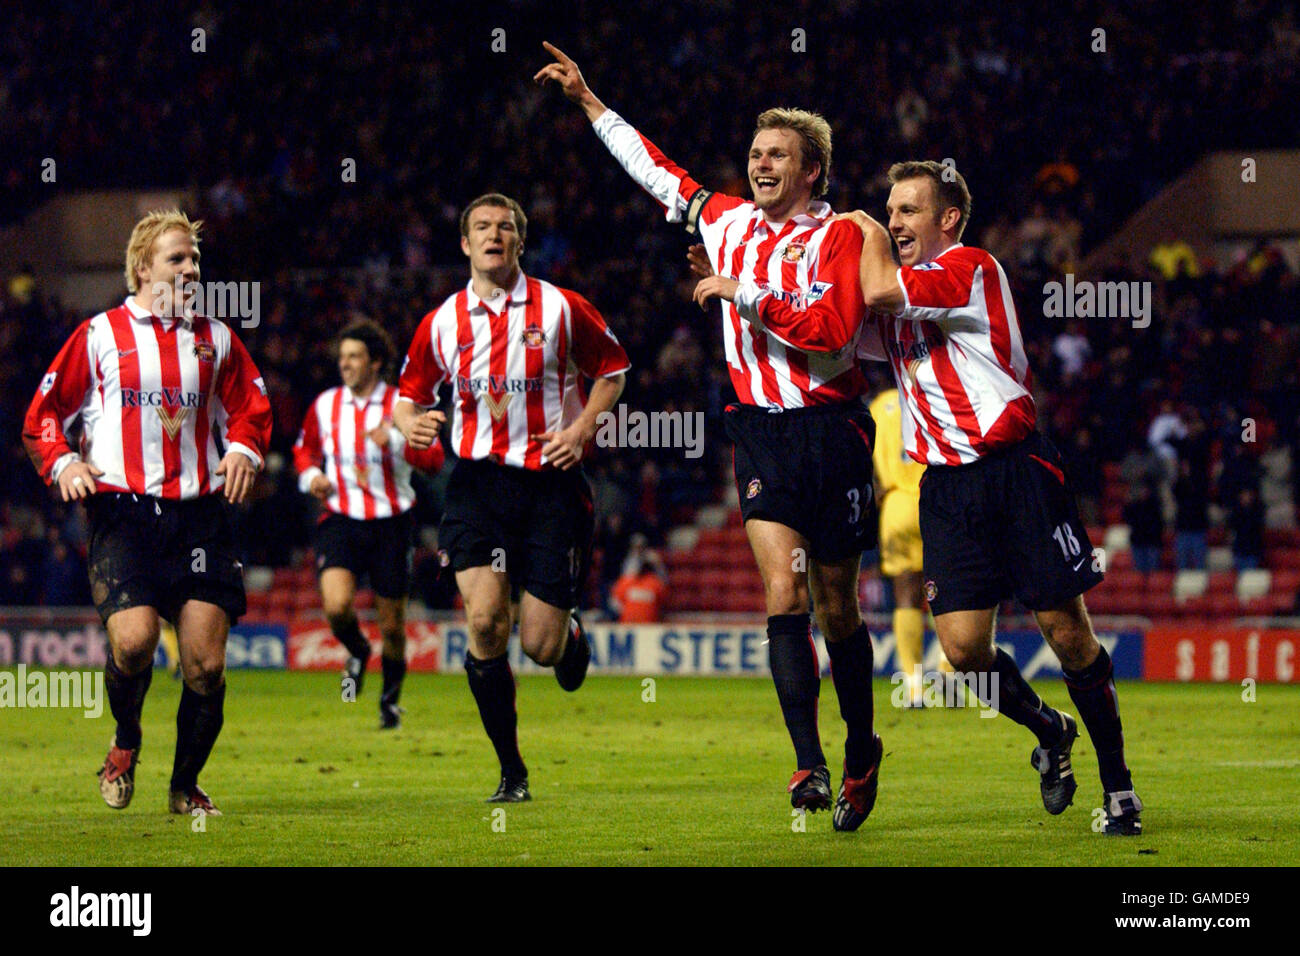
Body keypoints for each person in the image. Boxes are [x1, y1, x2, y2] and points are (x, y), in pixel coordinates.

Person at [537, 42, 885, 831]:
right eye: (756, 152)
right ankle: (809, 763)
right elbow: (655, 169)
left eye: (778, 156)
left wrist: (744, 290)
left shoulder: (840, 238)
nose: (761, 164)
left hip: (833, 431)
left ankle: (862, 748)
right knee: (783, 592)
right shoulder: (724, 219)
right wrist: (591, 102)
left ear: (812, 172)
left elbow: (830, 329)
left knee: (840, 609)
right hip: (760, 433)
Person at [830, 162, 1142, 835]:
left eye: (907, 210)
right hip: (945, 487)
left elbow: (878, 285)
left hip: (1017, 471)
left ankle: (1118, 788)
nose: (893, 221)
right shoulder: (898, 307)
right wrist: (744, 287)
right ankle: (1049, 732)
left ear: (947, 219)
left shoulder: (970, 267)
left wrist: (853, 226)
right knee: (964, 650)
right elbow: (826, 331)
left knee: (1067, 632)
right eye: (887, 210)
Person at [22, 208, 272, 815]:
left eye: (194, 260)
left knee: (206, 666)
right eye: (176, 259)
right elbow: (44, 414)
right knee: (133, 644)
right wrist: (64, 464)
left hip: (199, 516)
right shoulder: (100, 335)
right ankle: (126, 741)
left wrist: (243, 448)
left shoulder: (217, 339)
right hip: (124, 516)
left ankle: (184, 786)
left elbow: (253, 409)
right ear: (142, 268)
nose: (191, 269)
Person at [393, 192, 629, 802]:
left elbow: (614, 371)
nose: (493, 235)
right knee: (484, 620)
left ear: (520, 243)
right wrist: (408, 424)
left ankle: (569, 637)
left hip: (550, 485)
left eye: (505, 227)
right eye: (481, 227)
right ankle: (511, 771)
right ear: (466, 244)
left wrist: (581, 429)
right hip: (477, 487)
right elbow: (406, 396)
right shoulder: (441, 321)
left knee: (540, 646)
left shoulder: (560, 307)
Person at [293, 318, 444, 729]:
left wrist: (397, 439)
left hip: (391, 524)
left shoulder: (402, 405)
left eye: (355, 356)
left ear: (375, 362)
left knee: (393, 626)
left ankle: (390, 703)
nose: (346, 364)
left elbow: (433, 461)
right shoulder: (325, 405)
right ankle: (358, 651)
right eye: (342, 357)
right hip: (340, 517)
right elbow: (304, 450)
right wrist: (311, 477)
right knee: (337, 605)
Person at [868, 387, 952, 708]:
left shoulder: (880, 404)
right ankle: (946, 667)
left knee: (906, 594)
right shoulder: (937, 391)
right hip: (935, 500)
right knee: (945, 590)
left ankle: (914, 686)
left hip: (896, 505)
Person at [610, 534, 668, 623]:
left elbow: (663, 596)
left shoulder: (654, 581)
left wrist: (658, 565)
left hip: (648, 625)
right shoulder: (626, 579)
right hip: (628, 624)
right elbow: (614, 602)